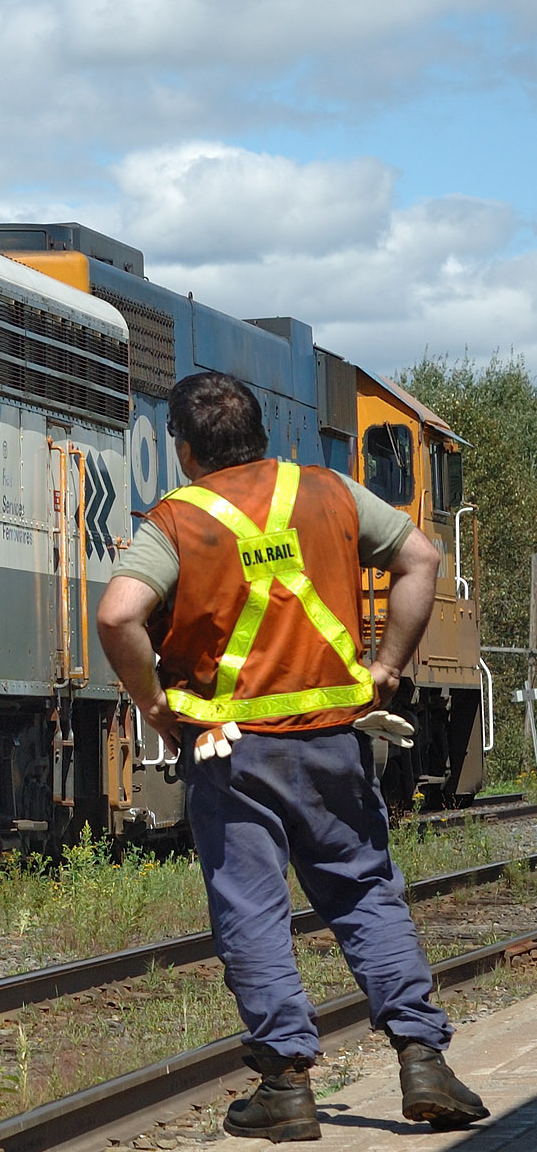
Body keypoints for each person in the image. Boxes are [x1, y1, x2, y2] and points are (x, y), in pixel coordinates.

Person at [96, 371, 488, 1142]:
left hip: (232, 752)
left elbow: (118, 615)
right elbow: (423, 557)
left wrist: (152, 702)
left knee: (252, 908)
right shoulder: (331, 493)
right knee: (364, 891)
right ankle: (421, 1057)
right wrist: (389, 665)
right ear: (261, 433)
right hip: (335, 742)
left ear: (183, 447)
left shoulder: (178, 519)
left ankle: (285, 1084)